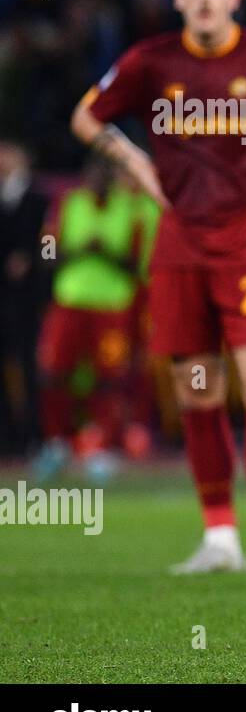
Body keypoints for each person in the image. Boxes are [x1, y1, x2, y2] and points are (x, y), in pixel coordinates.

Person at [69, 0, 246, 575]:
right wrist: (134, 162)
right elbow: (87, 117)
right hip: (180, 246)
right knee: (198, 392)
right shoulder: (152, 62)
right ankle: (217, 537)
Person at [34, 156, 149, 478]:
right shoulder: (67, 205)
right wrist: (79, 251)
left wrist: (107, 253)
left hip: (112, 306)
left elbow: (136, 263)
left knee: (110, 379)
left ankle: (101, 448)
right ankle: (57, 443)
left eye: (106, 175)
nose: (99, 180)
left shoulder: (132, 209)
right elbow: (45, 254)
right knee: (54, 373)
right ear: (84, 177)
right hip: (70, 301)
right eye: (94, 174)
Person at [0, 138, 48, 458]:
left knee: (29, 366)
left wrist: (32, 259)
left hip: (27, 298)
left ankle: (34, 436)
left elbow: (50, 243)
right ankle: (8, 438)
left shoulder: (39, 198)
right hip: (2, 295)